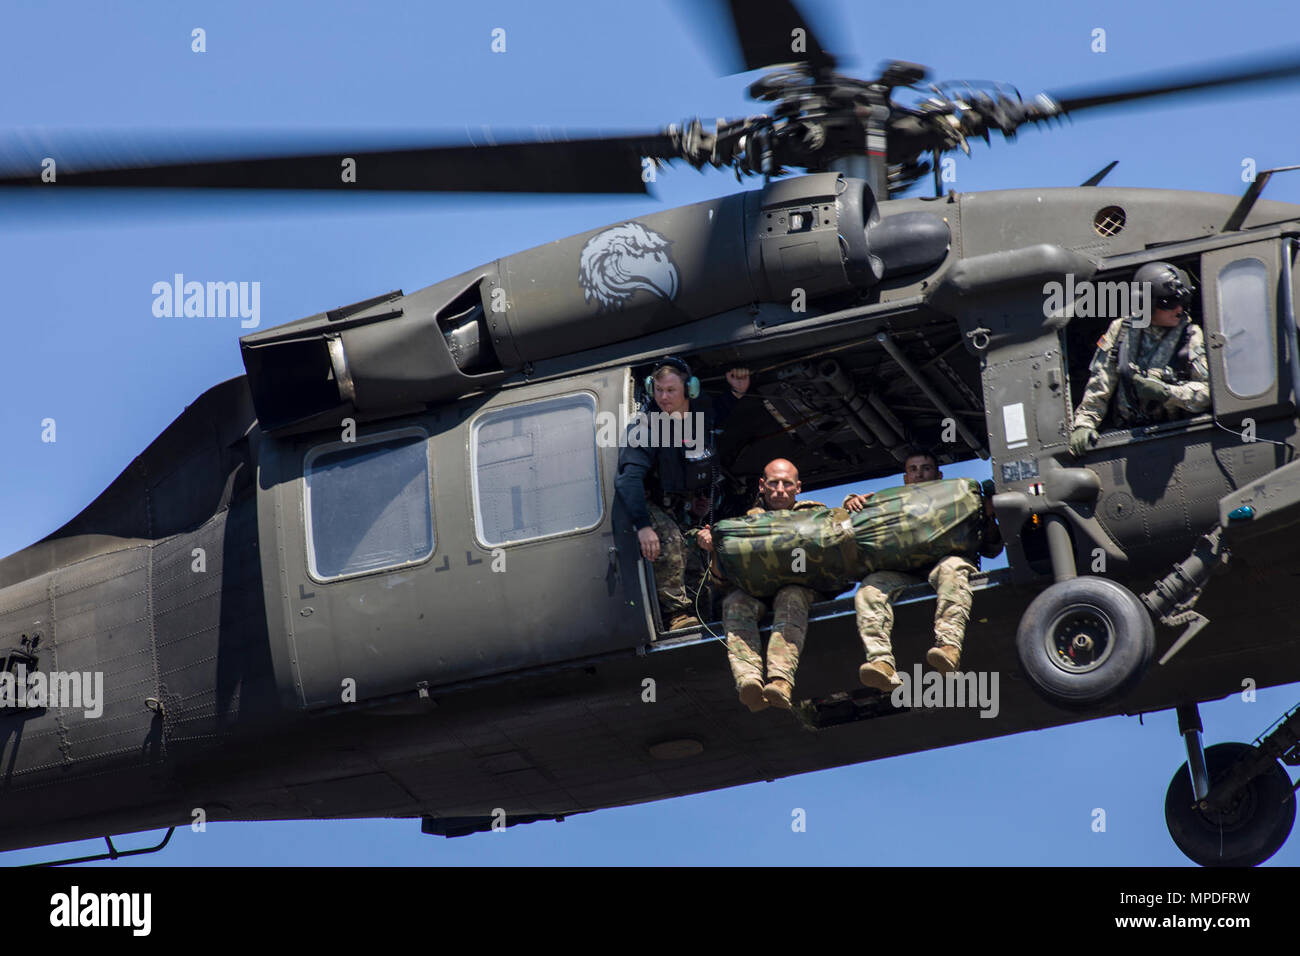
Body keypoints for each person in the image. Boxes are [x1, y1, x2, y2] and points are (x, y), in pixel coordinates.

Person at [844, 449, 999, 692]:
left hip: (942, 565)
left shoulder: (956, 499)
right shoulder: (891, 505)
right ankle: (881, 662)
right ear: (905, 478)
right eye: (913, 470)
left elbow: (992, 548)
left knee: (953, 568)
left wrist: (987, 516)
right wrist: (852, 504)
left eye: (925, 468)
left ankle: (948, 648)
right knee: (870, 588)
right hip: (902, 572)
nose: (919, 474)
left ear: (938, 475)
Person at [615, 357, 751, 631]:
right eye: (659, 390)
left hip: (681, 506)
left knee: (698, 560)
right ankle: (676, 614)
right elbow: (628, 479)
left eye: (671, 391)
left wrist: (737, 391)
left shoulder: (699, 412)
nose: (663, 398)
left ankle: (700, 617)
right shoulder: (646, 428)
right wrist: (643, 527)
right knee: (670, 540)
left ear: (689, 390)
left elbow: (718, 412)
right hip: (648, 503)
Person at [697, 458, 824, 712]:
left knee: (790, 596)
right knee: (735, 603)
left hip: (800, 589)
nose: (779, 489)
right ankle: (749, 681)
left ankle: (780, 681)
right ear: (762, 486)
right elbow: (722, 580)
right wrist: (715, 549)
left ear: (798, 488)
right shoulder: (744, 526)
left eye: (786, 484)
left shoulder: (815, 515)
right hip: (757, 592)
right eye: (773, 483)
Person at [1069, 261, 1209, 457]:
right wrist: (1084, 424)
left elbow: (1207, 393)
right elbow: (1101, 383)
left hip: (1174, 433)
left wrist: (1168, 393)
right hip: (1130, 433)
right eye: (1168, 304)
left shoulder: (1190, 335)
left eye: (1181, 302)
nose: (1179, 310)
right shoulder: (1121, 331)